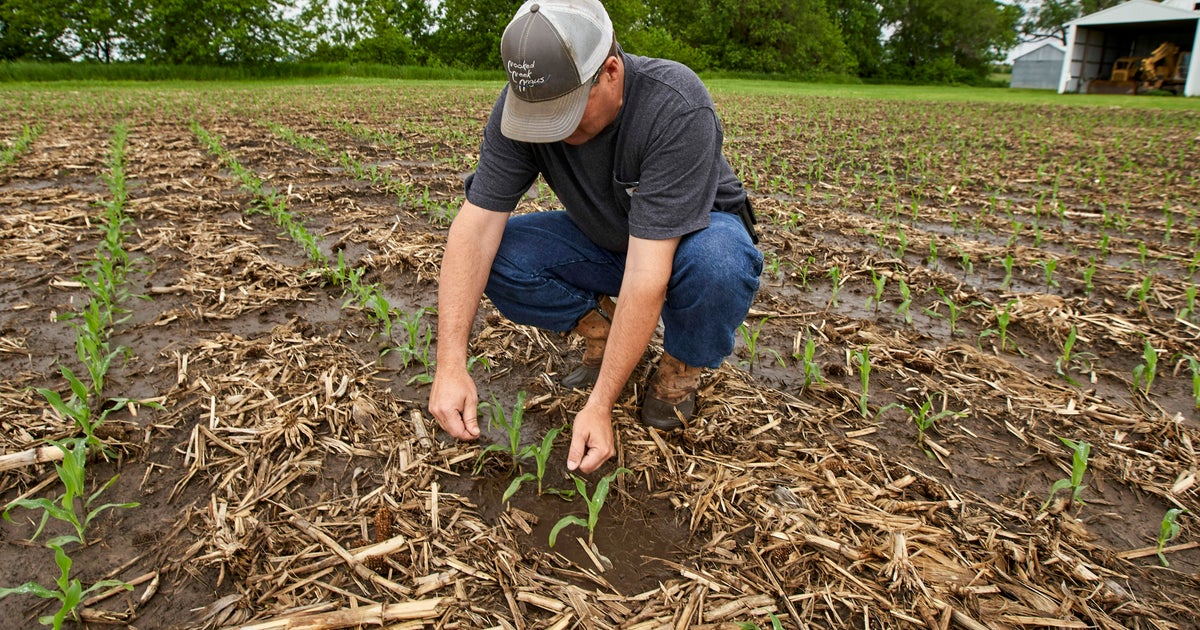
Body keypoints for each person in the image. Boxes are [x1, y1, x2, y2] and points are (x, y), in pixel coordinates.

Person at [428, 0, 762, 474]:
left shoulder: (674, 104)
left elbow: (649, 272)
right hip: (607, 238)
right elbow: (474, 228)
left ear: (610, 71)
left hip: (691, 241)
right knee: (501, 255)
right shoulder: (519, 110)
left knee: (720, 265)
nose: (553, 131)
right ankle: (603, 330)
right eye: (539, 116)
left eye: (566, 112)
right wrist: (449, 365)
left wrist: (601, 404)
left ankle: (678, 371)